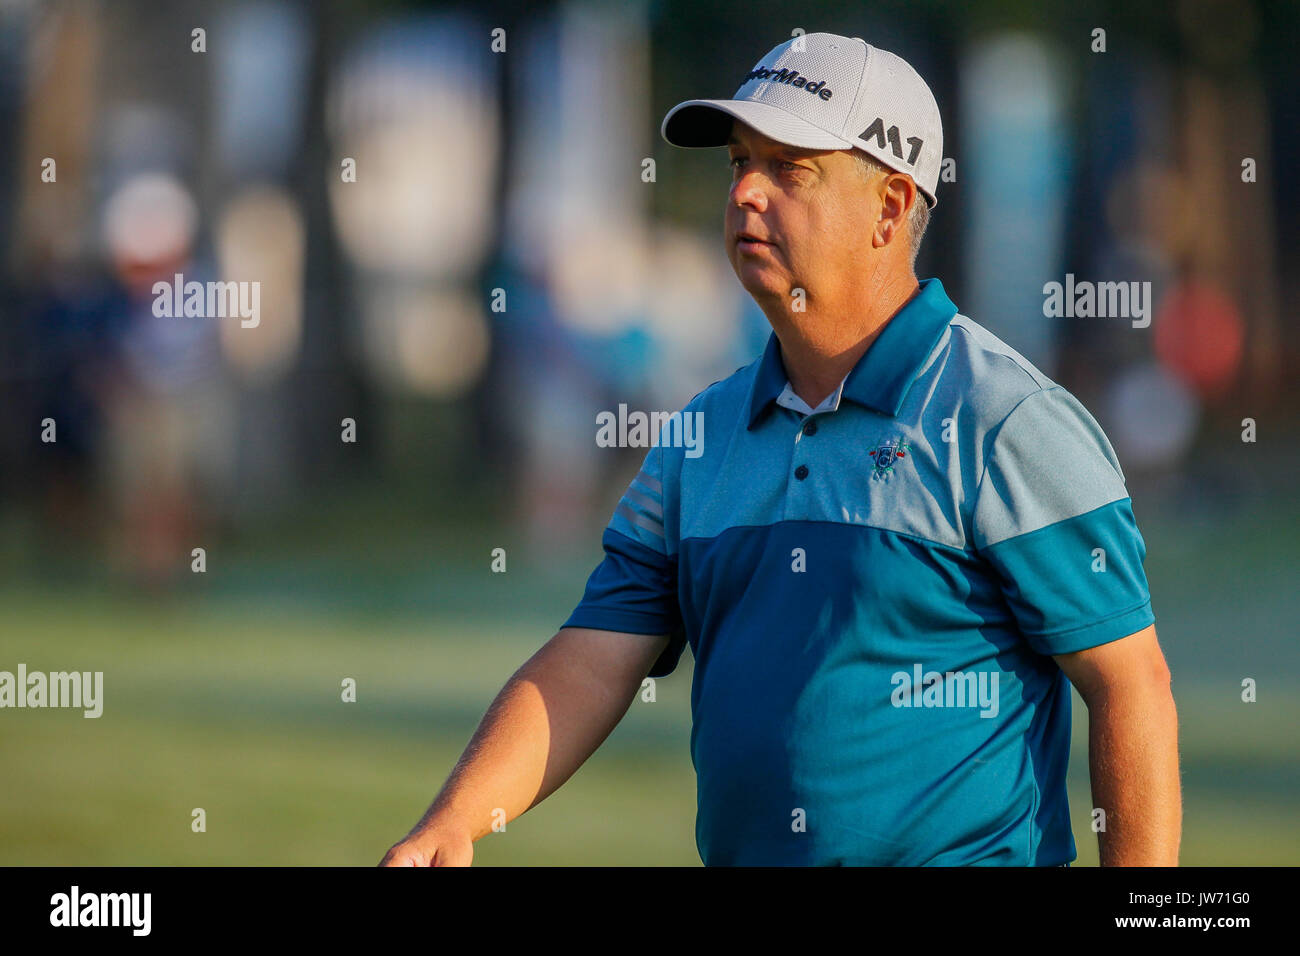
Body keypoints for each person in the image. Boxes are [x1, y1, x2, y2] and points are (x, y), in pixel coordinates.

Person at [381, 32, 1180, 867]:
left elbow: (1130, 686)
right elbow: (592, 660)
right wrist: (458, 818)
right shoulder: (703, 433)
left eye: (790, 169)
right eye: (739, 163)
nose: (746, 194)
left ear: (891, 208)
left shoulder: (1006, 417)